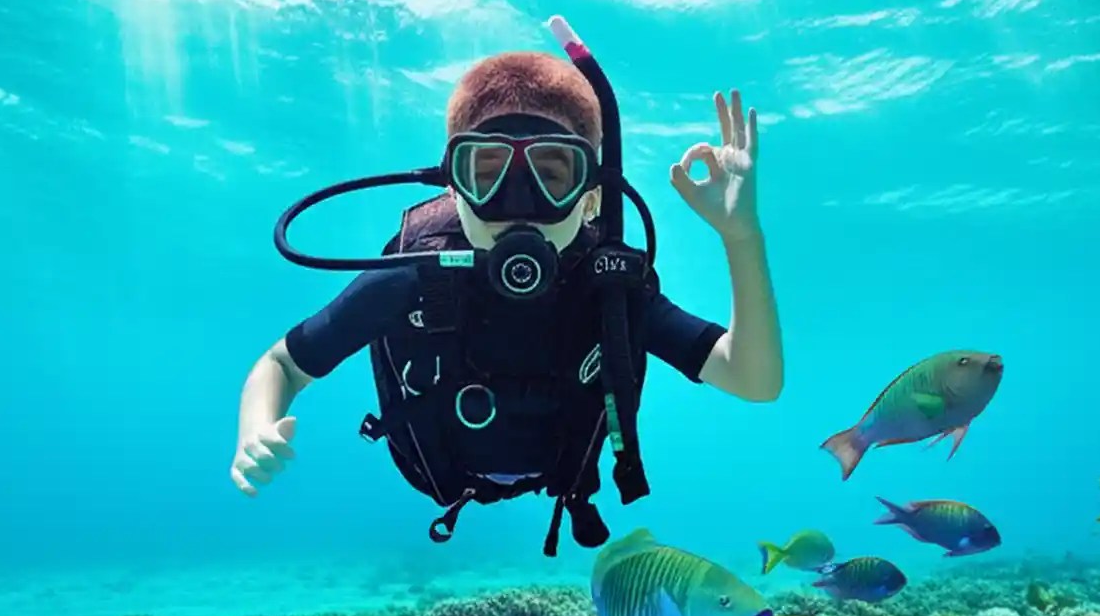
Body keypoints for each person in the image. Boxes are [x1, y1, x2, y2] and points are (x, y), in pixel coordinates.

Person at [229, 44, 783, 555]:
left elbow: (753, 379)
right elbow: (282, 364)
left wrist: (741, 236)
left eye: (551, 174)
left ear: (591, 196)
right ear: (453, 187)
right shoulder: (412, 276)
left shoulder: (611, 287)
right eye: (487, 173)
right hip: (439, 474)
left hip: (564, 475)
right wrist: (257, 422)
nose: (519, 204)